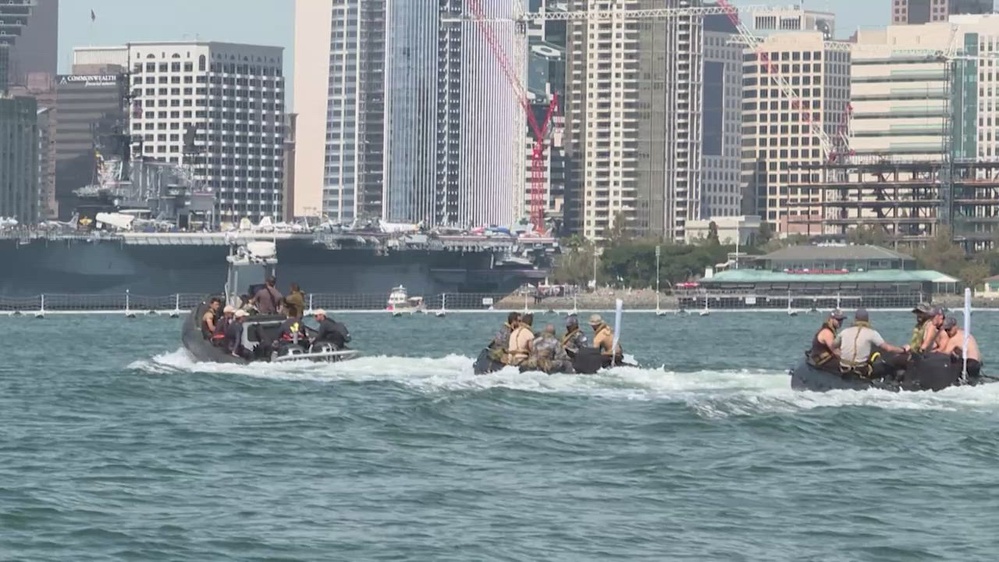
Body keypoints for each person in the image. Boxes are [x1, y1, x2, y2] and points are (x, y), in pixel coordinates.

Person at [833, 308, 904, 375]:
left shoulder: (844, 332)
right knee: (887, 367)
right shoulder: (872, 333)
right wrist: (903, 350)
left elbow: (833, 345)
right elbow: (888, 348)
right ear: (867, 320)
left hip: (844, 368)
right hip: (861, 370)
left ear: (855, 319)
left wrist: (841, 354)